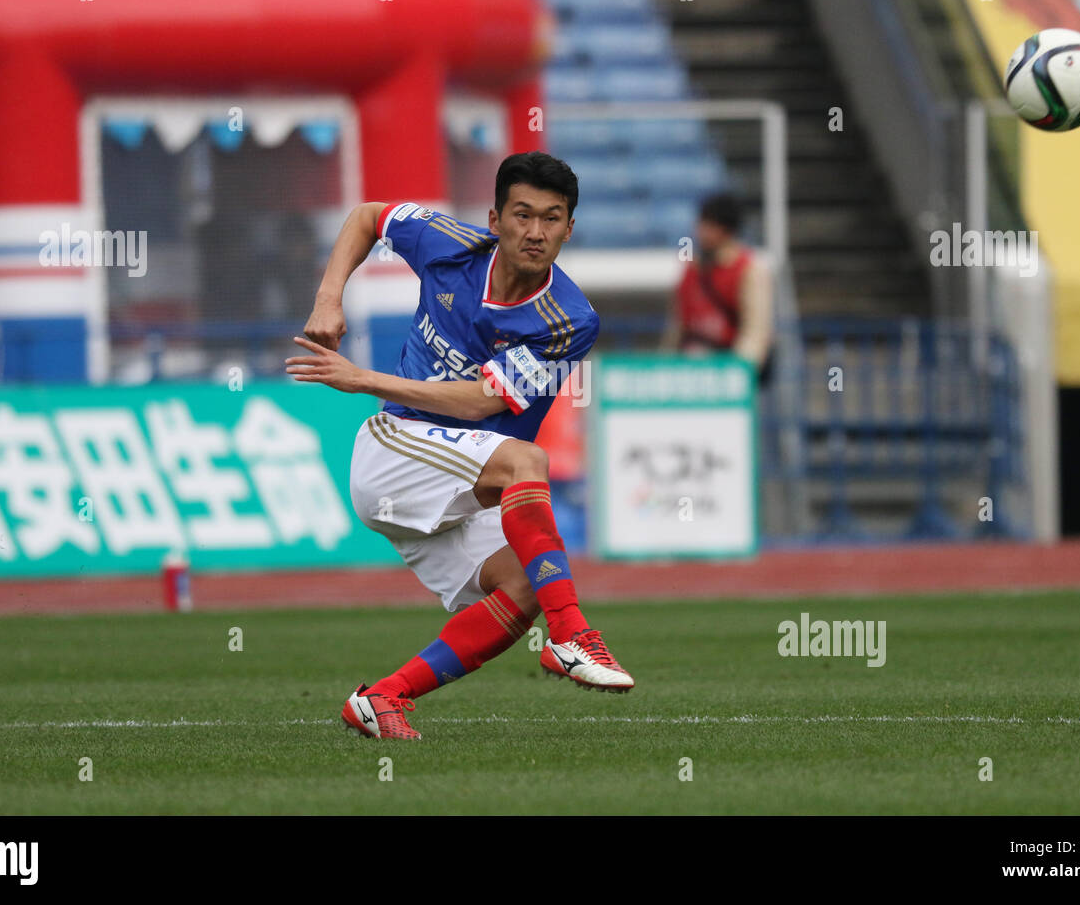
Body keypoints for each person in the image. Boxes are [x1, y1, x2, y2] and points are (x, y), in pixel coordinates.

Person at [286, 151, 633, 741]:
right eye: (523, 215)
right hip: (394, 448)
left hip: (461, 485)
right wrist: (328, 298)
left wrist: (362, 377)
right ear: (495, 218)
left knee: (526, 587)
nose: (536, 231)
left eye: (553, 219)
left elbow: (479, 403)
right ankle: (572, 635)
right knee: (529, 461)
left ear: (569, 230)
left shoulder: (568, 320)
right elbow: (369, 216)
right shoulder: (447, 243)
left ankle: (381, 699)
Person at [661, 193, 775, 387]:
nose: (700, 232)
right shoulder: (692, 270)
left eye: (707, 226)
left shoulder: (748, 270)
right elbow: (678, 326)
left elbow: (756, 332)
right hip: (689, 374)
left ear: (725, 230)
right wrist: (665, 369)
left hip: (727, 372)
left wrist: (736, 375)